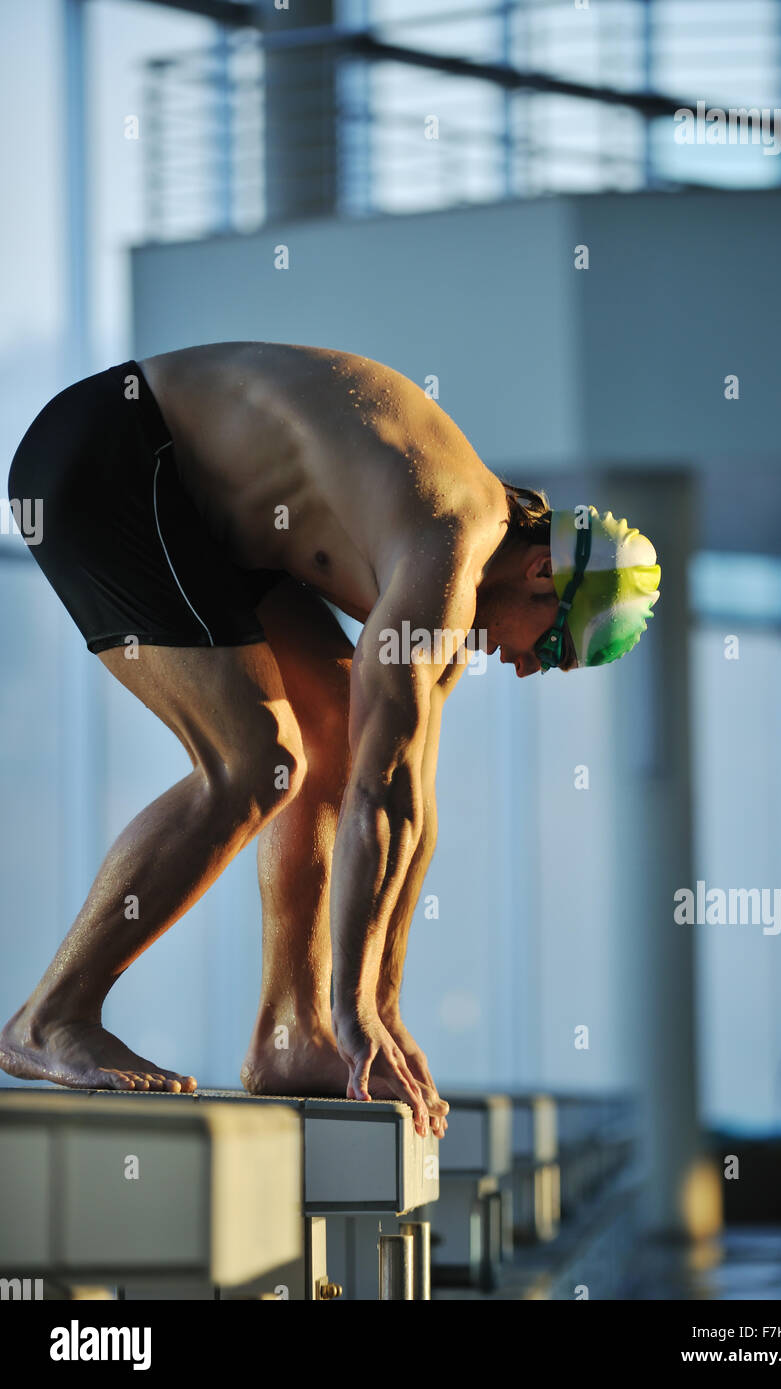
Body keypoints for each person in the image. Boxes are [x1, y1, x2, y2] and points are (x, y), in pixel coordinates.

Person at [1, 342, 660, 1138]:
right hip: (114, 455)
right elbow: (383, 802)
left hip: (206, 510)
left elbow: (405, 804)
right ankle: (52, 1014)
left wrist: (377, 1008)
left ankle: (292, 1035)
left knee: (339, 736)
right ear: (543, 577)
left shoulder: (455, 579)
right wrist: (360, 1013)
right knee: (254, 760)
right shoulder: (447, 550)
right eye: (551, 649)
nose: (524, 669)